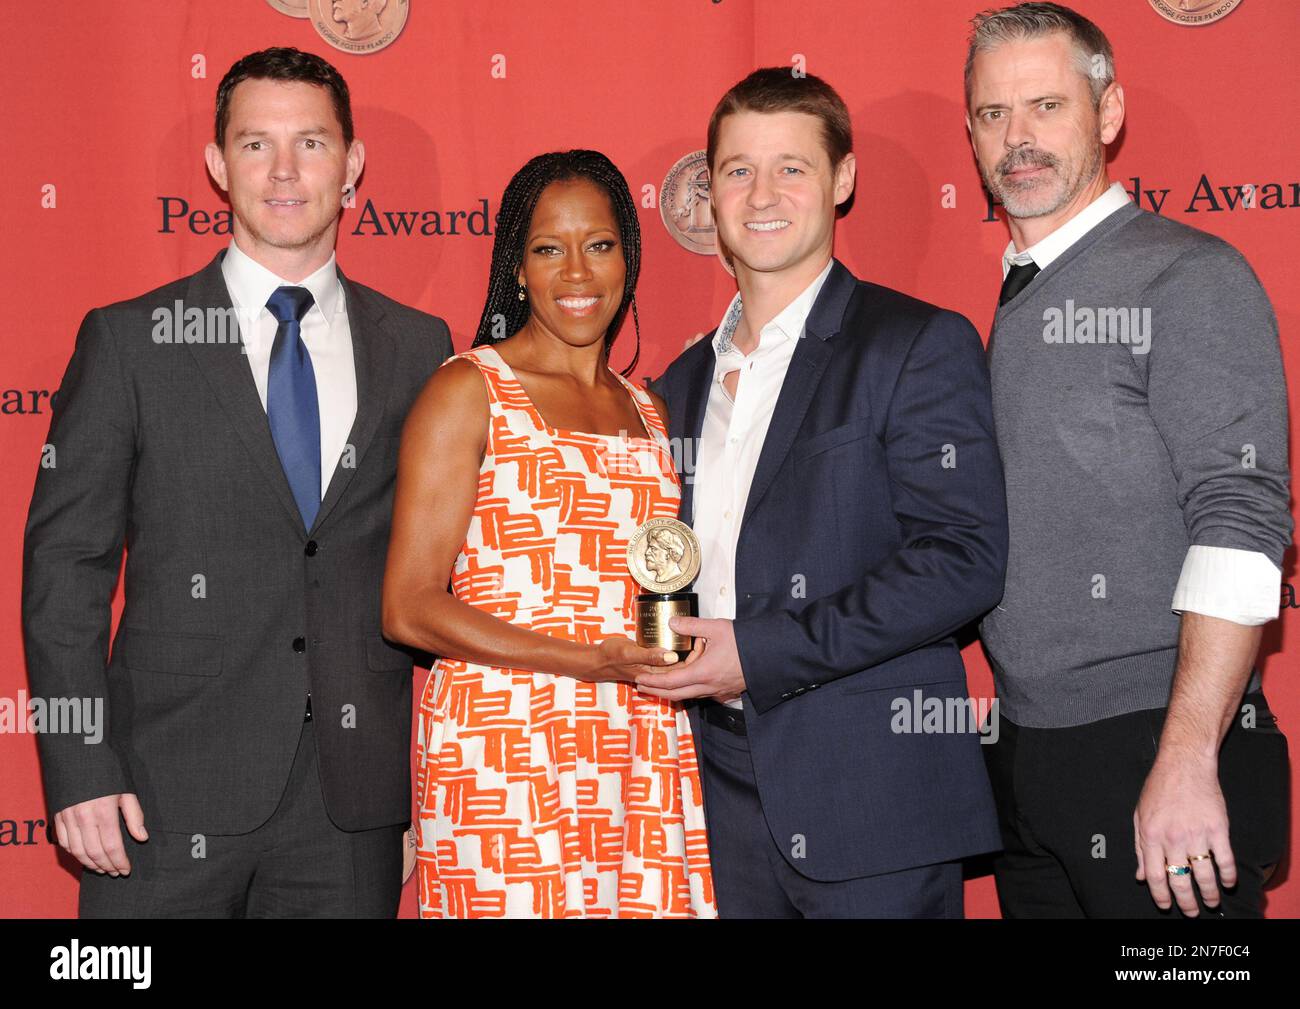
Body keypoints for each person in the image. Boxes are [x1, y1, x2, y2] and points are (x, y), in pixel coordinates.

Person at [21, 47, 452, 917]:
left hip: (351, 809)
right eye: (256, 145)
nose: (284, 171)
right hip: (156, 797)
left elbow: (439, 575)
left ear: (353, 165)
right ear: (218, 167)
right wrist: (79, 771)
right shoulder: (131, 340)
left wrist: (418, 789)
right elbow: (65, 573)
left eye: (312, 144)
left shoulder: (420, 346)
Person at [645, 68, 1008, 917]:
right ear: (710, 188)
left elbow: (964, 561)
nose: (762, 194)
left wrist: (760, 651)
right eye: (737, 170)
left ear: (842, 180)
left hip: (871, 794)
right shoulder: (680, 381)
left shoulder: (917, 343)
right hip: (709, 792)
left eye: (792, 167)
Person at [966, 3, 1290, 917]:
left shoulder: (1184, 275)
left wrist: (1187, 756)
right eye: (993, 115)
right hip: (1031, 751)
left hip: (1158, 746)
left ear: (1107, 114)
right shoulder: (1024, 294)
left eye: (1046, 107)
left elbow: (1241, 516)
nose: (1017, 139)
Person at [382, 150, 715, 918]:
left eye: (598, 245)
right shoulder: (468, 388)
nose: (576, 273)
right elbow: (407, 607)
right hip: (504, 748)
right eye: (547, 248)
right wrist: (585, 660)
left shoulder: (650, 411)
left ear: (628, 259)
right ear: (517, 268)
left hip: (636, 736)